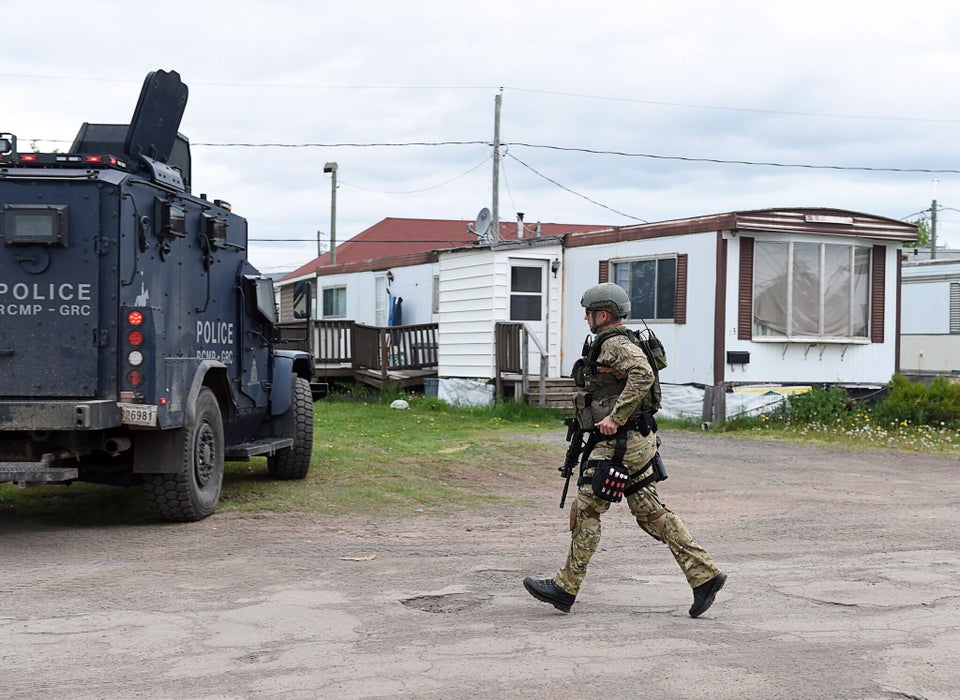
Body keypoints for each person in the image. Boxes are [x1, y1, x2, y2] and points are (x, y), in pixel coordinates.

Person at [523, 282, 727, 617]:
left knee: (587, 510)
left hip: (620, 444)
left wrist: (616, 418)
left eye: (589, 312)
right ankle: (704, 575)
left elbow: (642, 374)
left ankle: (565, 587)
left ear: (603, 314)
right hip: (636, 441)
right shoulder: (619, 341)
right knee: (650, 513)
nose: (586, 318)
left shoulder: (615, 344)